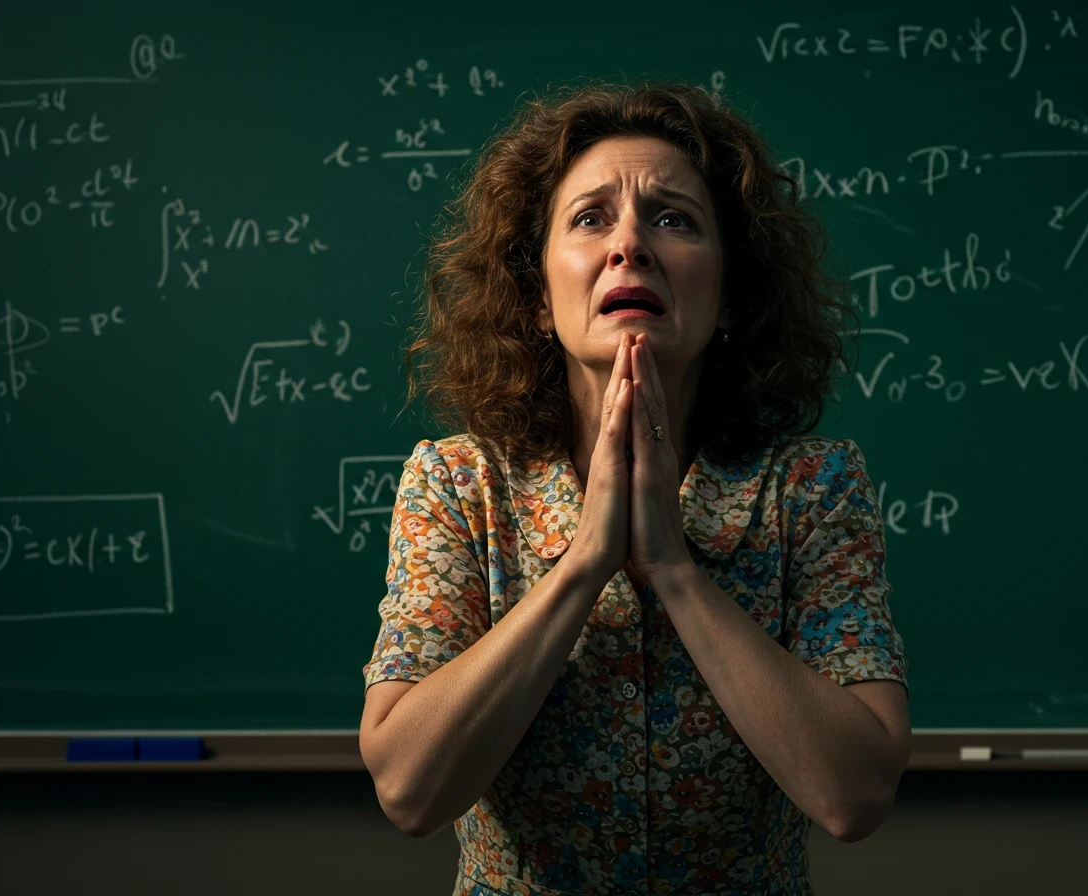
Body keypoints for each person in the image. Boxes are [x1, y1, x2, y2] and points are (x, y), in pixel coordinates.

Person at [359, 79, 911, 896]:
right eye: (590, 219)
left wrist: (675, 571)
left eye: (673, 219)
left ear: (730, 296)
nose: (630, 246)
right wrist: (585, 563)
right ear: (537, 297)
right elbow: (410, 791)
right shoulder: (457, 483)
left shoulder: (813, 486)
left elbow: (855, 797)